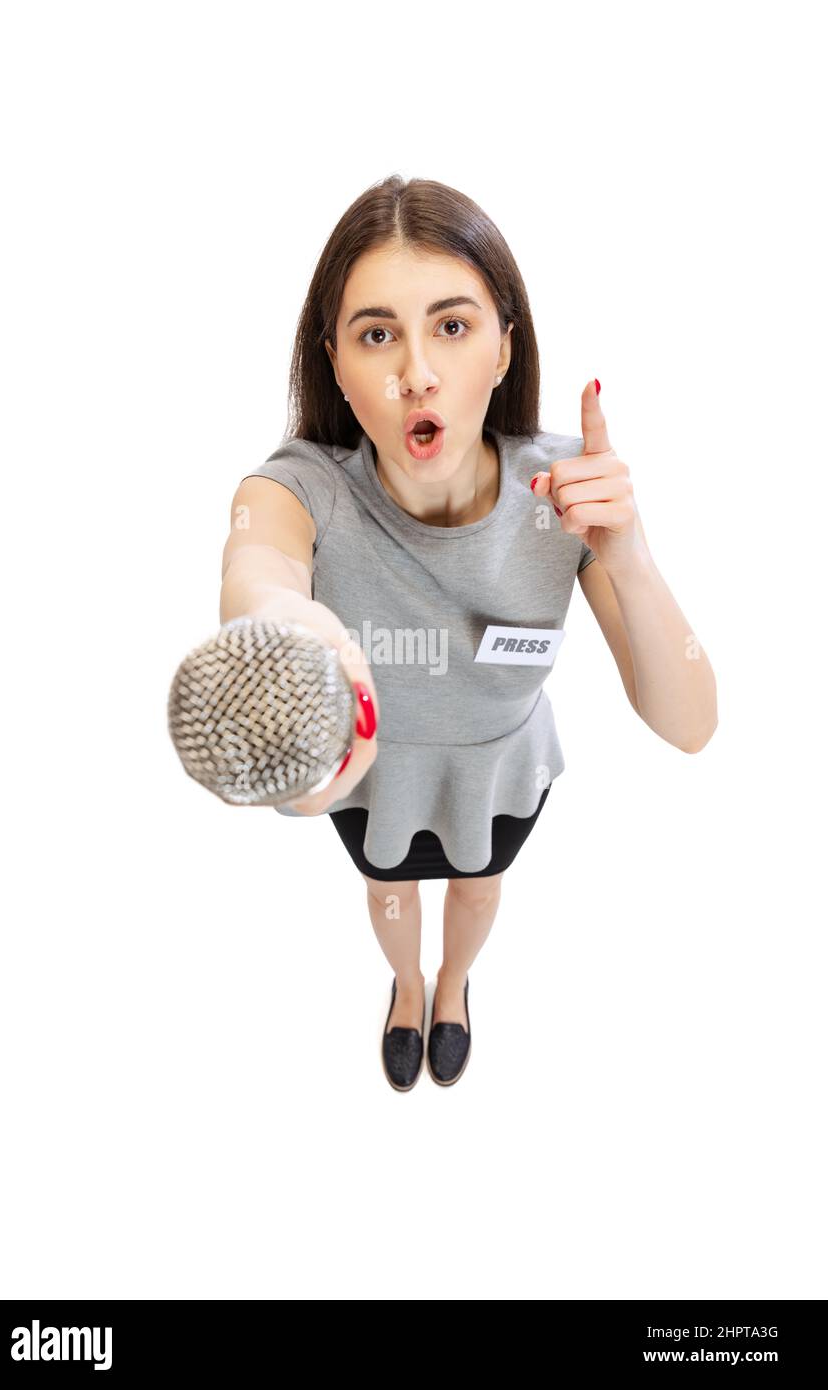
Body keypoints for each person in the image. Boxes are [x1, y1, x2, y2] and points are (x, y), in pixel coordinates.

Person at [219, 174, 718, 1090]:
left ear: (501, 348)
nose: (417, 369)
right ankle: (405, 987)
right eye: (378, 334)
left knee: (479, 881)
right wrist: (285, 628)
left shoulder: (569, 491)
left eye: (451, 326)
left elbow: (689, 724)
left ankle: (454, 986)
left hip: (499, 767)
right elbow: (260, 569)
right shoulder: (297, 487)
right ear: (334, 361)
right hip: (378, 777)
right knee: (389, 885)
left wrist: (629, 554)